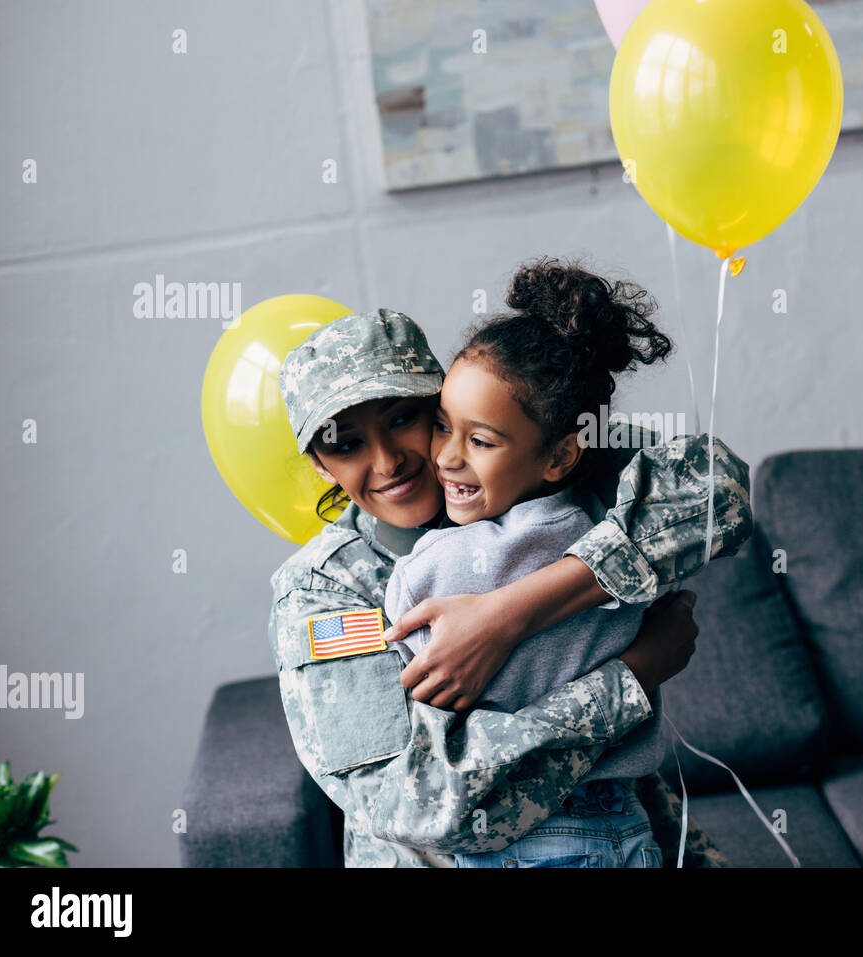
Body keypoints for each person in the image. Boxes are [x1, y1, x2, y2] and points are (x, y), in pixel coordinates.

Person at [268, 288, 753, 867]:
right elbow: (417, 805)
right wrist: (633, 675)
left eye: (405, 419)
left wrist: (509, 614)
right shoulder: (326, 591)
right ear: (322, 465)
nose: (388, 462)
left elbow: (718, 495)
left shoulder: (534, 477)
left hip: (631, 838)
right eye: (346, 446)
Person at [385, 260, 694, 867]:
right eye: (442, 426)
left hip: (524, 843)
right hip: (625, 826)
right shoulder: (609, 530)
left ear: (559, 456)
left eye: (481, 441)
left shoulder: (435, 567)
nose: (446, 456)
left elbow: (407, 662)